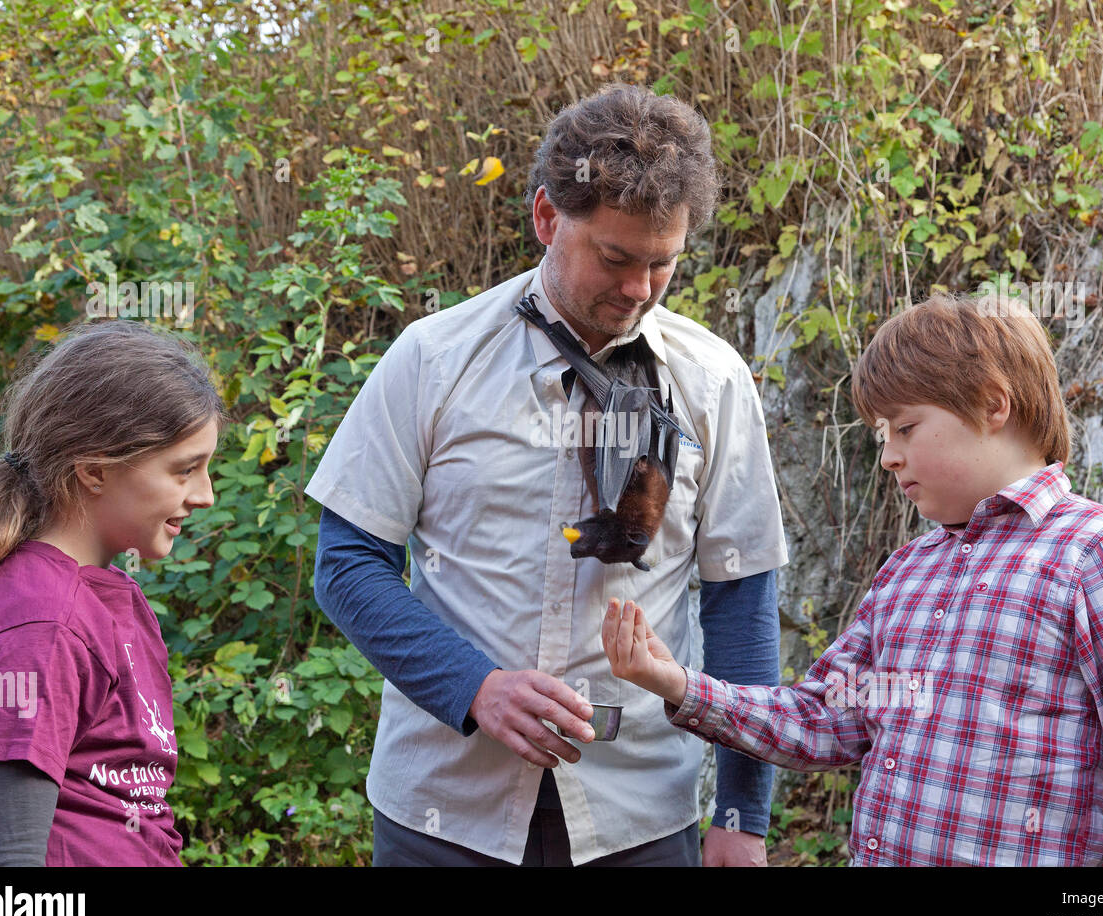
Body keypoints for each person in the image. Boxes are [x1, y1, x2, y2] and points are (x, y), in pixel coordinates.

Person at [308, 82, 790, 866]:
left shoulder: (713, 381)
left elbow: (741, 599)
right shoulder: (433, 358)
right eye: (614, 257)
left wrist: (744, 808)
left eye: (661, 265)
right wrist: (474, 686)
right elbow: (348, 565)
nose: (637, 290)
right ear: (545, 217)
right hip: (443, 811)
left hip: (640, 816)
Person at [603, 292, 1103, 865]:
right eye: (882, 435)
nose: (889, 454)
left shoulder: (1099, 555)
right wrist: (674, 682)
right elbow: (821, 719)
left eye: (906, 428)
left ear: (994, 405)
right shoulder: (906, 573)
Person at [0, 320, 225, 866]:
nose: (205, 494)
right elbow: (2, 868)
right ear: (94, 470)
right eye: (185, 470)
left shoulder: (101, 595)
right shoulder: (42, 623)